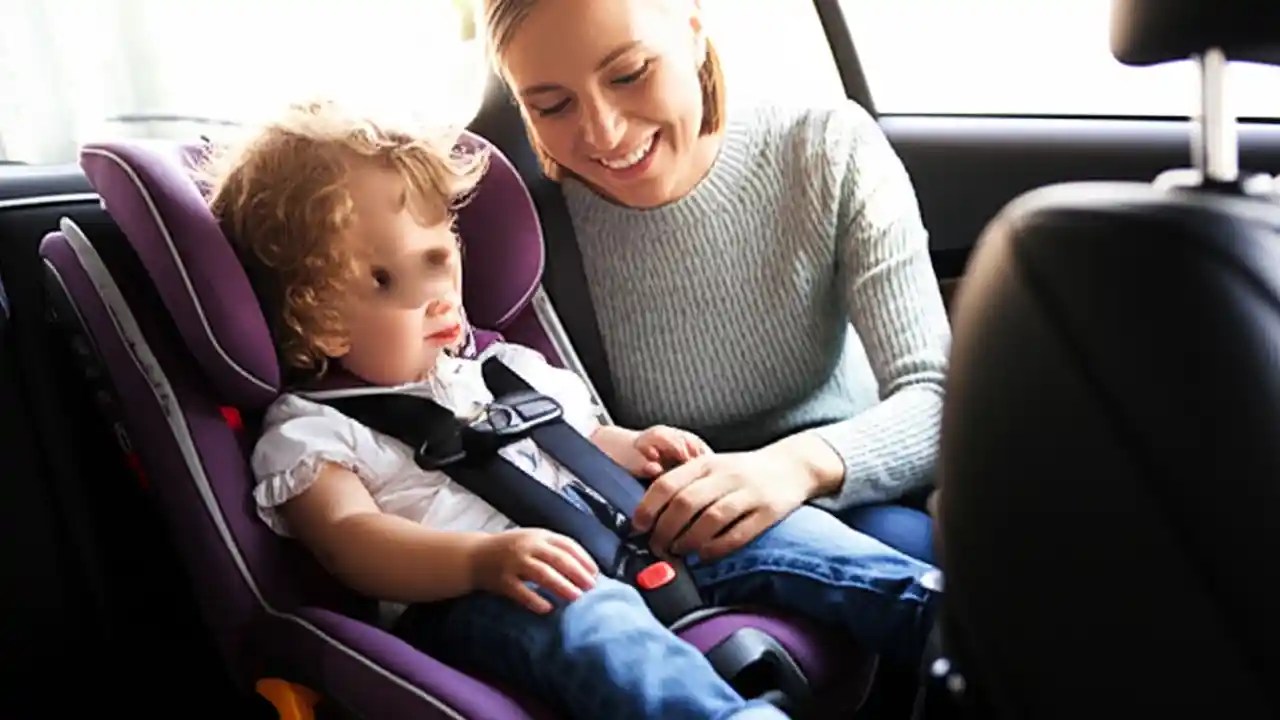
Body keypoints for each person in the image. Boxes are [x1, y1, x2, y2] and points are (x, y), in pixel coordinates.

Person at [202, 100, 939, 720]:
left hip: (628, 534)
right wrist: (480, 561)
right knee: (598, 628)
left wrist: (637, 448)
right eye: (388, 276)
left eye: (441, 252)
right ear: (322, 321)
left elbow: (583, 439)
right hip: (491, 595)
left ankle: (952, 624)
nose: (441, 288)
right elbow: (349, 540)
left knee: (780, 529)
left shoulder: (500, 368)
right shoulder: (311, 430)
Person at [480, 0, 950, 566]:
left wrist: (794, 467)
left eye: (630, 75)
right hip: (663, 533)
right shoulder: (519, 230)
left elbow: (936, 398)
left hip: (840, 490)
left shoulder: (824, 148)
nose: (603, 133)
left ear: (694, 27)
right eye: (552, 106)